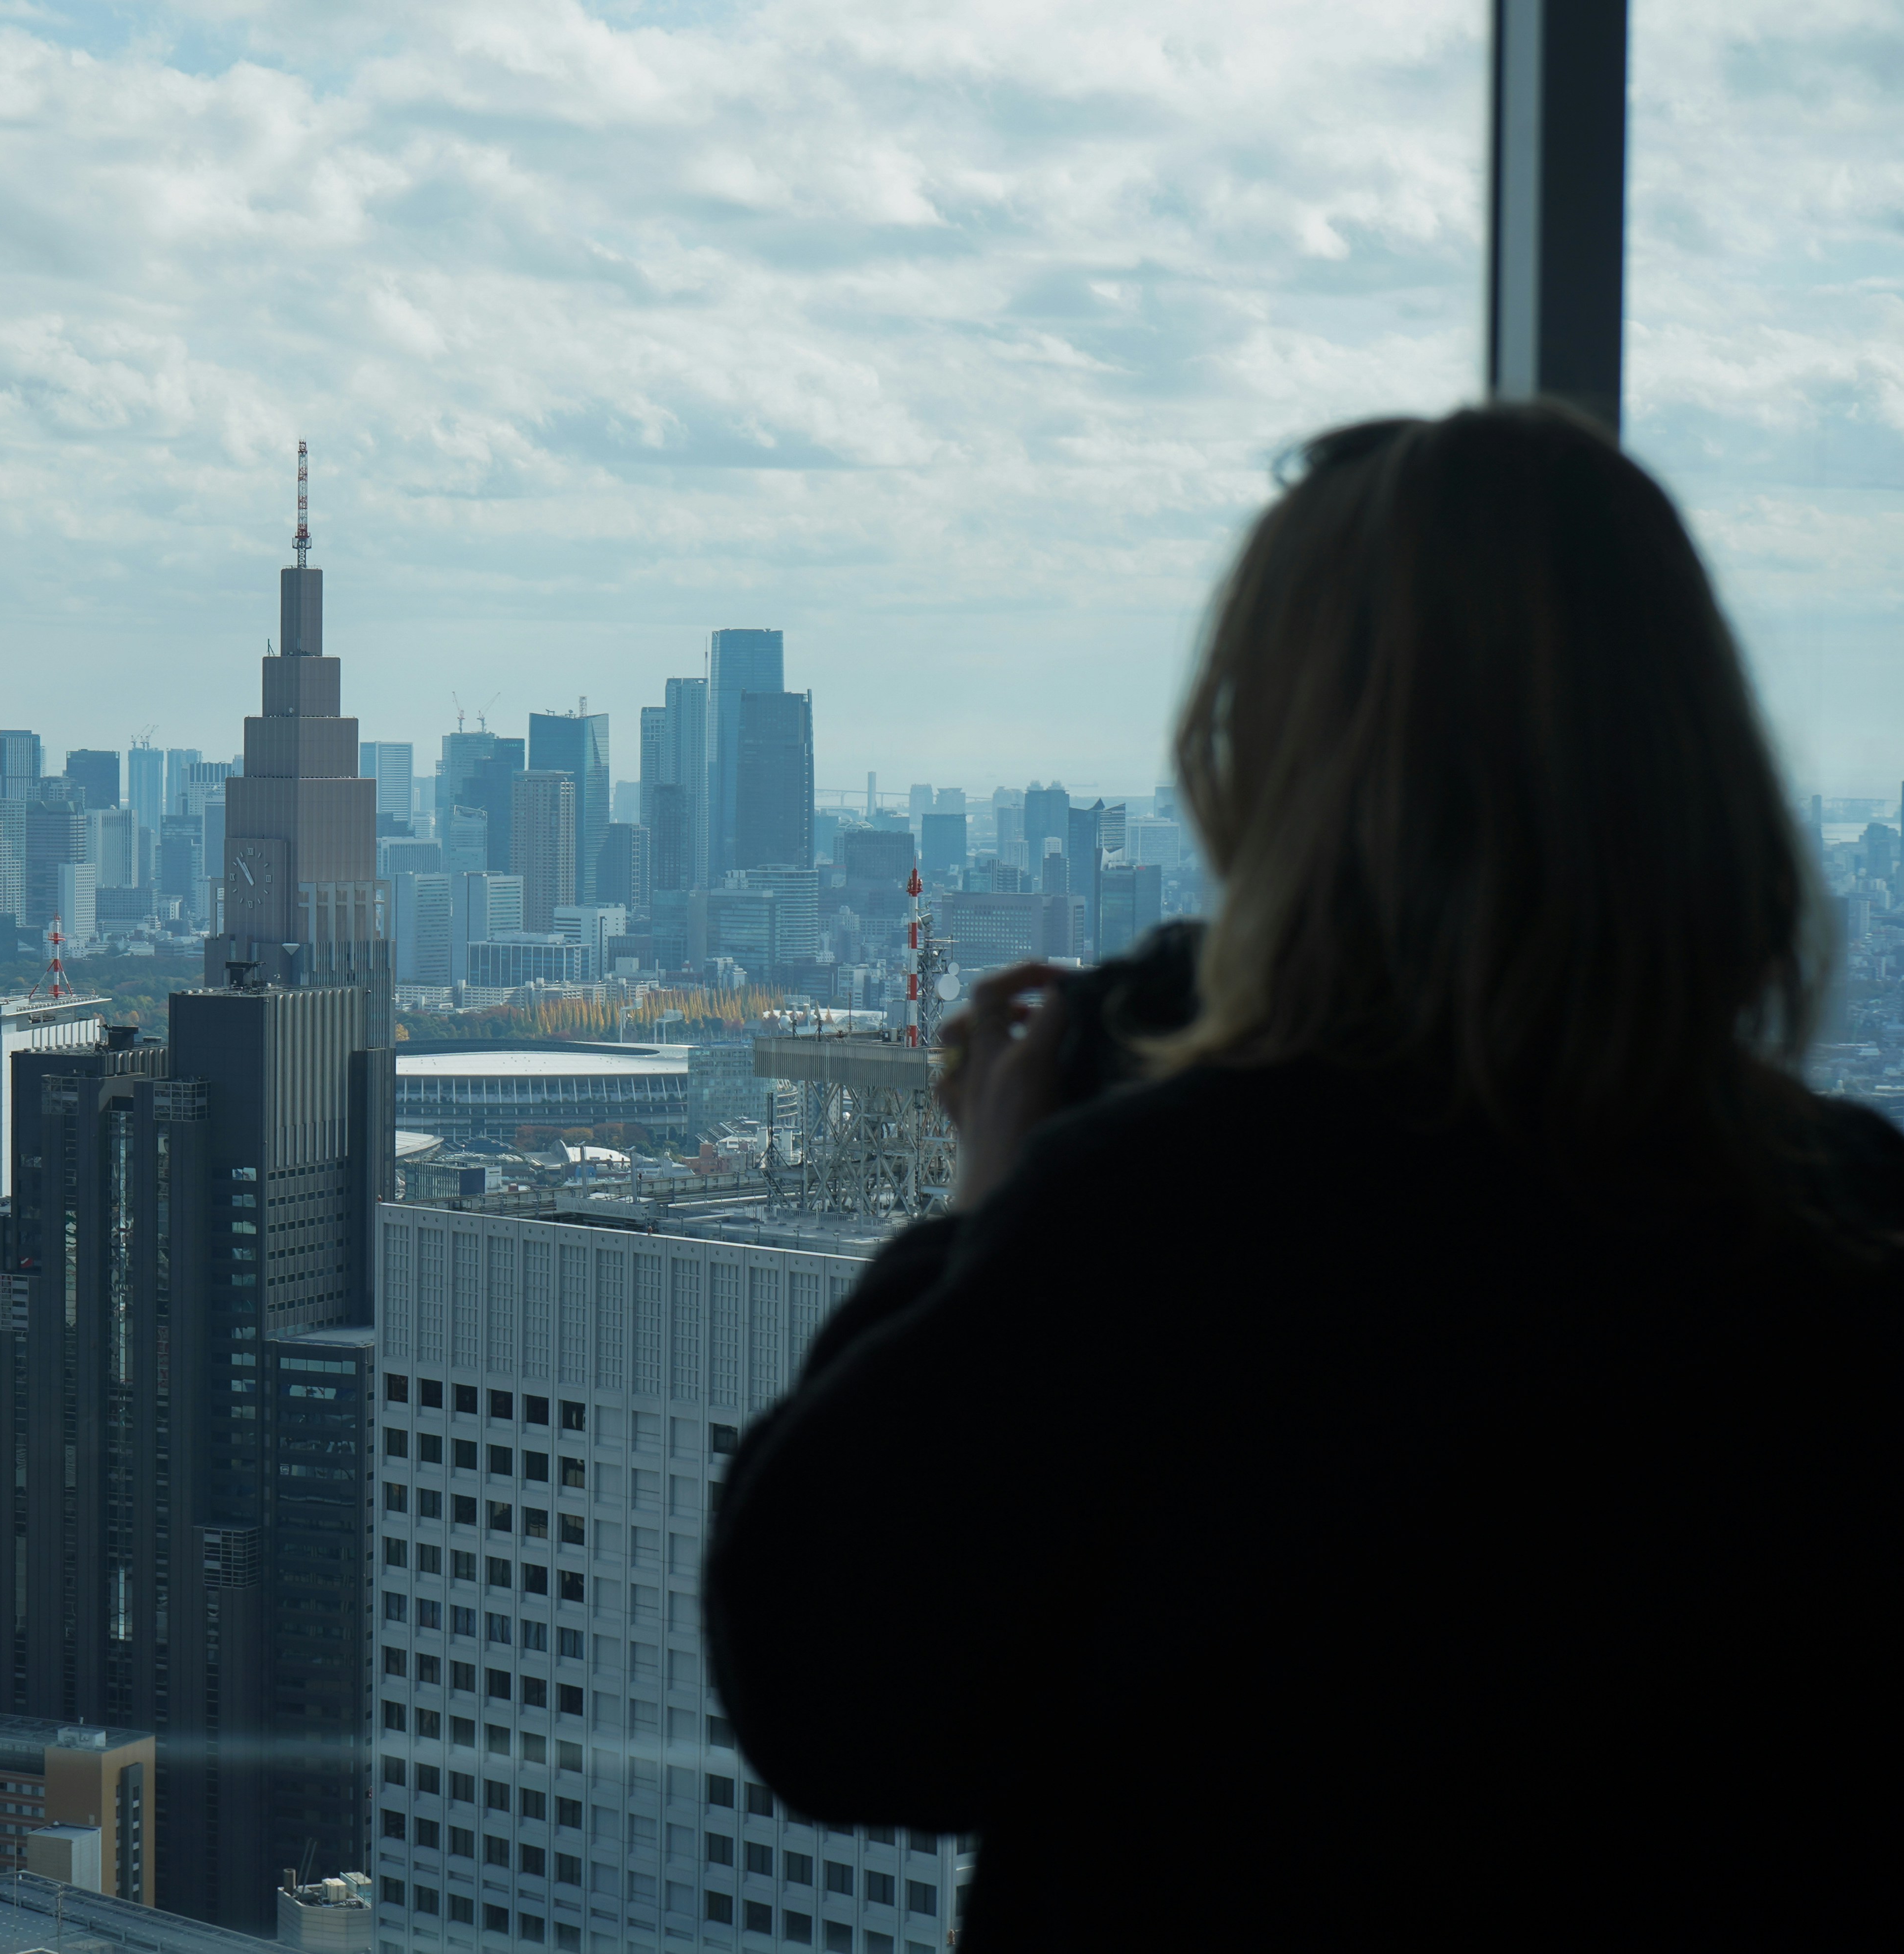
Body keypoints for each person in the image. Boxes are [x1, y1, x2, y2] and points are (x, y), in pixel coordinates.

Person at [702, 405, 1901, 1952]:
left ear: (1279, 775)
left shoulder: (1175, 1219)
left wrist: (980, 1218)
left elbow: (831, 1690)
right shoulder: (1845, 1220)